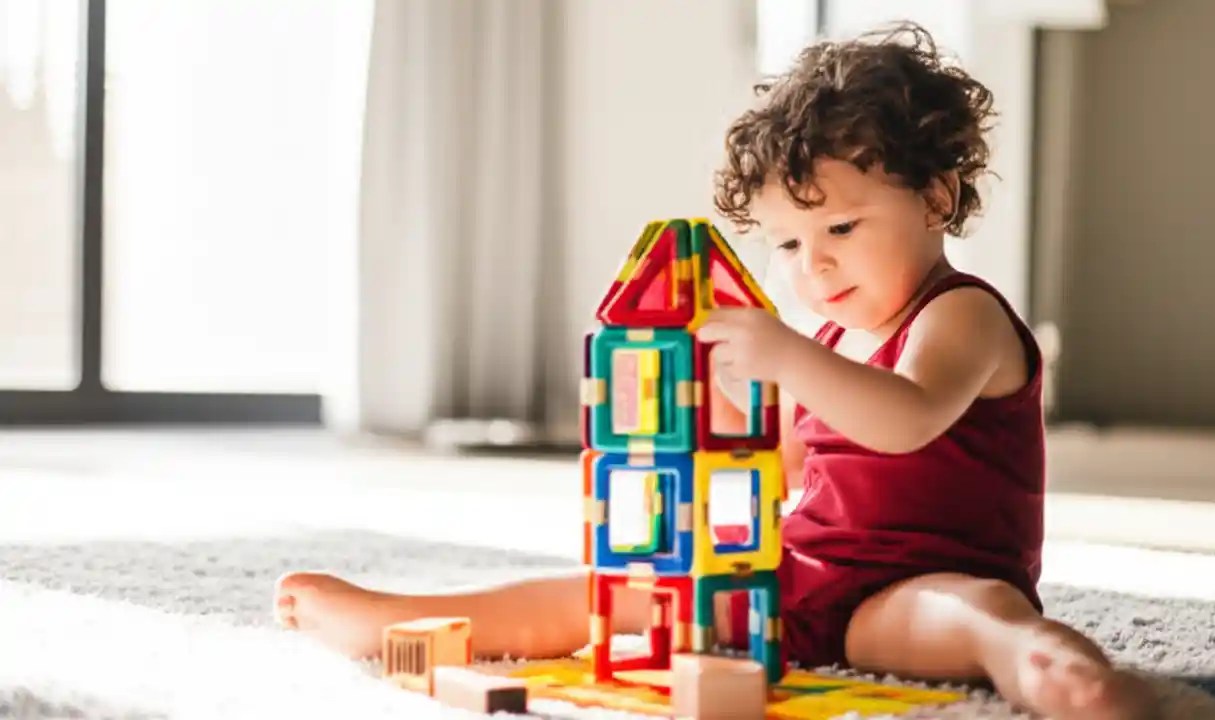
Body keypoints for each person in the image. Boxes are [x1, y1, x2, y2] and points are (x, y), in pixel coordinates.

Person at [274, 22, 1156, 719]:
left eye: (841, 231)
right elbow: (804, 473)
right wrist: (734, 440)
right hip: (800, 578)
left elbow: (906, 419)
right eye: (788, 244)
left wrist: (791, 358)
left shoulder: (958, 315)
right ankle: (398, 620)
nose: (813, 268)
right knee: (615, 596)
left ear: (933, 197)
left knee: (970, 620)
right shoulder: (836, 339)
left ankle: (1055, 671)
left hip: (917, 582)